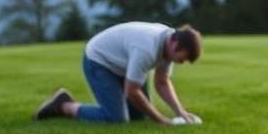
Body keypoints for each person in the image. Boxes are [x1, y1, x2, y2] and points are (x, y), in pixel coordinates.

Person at [34, 21, 202, 125]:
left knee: (139, 116)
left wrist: (180, 112)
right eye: (184, 57)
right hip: (99, 60)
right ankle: (64, 106)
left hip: (124, 65)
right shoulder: (147, 48)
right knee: (117, 119)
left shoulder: (168, 47)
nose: (182, 62)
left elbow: (162, 82)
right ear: (175, 43)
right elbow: (132, 91)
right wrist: (160, 119)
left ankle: (68, 105)